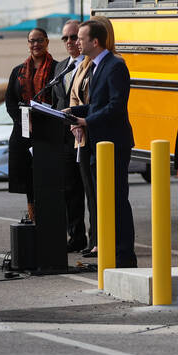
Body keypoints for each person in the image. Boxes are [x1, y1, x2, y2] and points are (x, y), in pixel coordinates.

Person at [69, 18, 136, 268]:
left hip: (114, 144)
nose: (77, 42)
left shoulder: (115, 65)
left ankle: (125, 256)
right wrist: (74, 111)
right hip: (99, 144)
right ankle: (111, 253)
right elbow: (98, 104)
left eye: (81, 39)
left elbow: (116, 106)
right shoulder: (96, 65)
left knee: (117, 199)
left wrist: (86, 121)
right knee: (103, 201)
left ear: (95, 42)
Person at [5, 27, 57, 221]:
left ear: (47, 42)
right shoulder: (17, 71)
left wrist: (44, 122)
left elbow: (59, 100)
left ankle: (50, 220)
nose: (36, 44)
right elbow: (10, 102)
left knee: (48, 179)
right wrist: (23, 121)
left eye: (40, 40)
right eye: (32, 41)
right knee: (28, 180)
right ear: (28, 44)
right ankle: (33, 216)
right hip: (24, 132)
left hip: (48, 133)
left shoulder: (57, 69)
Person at [52, 20, 88, 253]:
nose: (69, 42)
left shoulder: (90, 64)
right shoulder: (61, 67)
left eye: (74, 37)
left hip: (85, 133)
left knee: (90, 188)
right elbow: (57, 102)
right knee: (70, 190)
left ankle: (96, 239)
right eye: (65, 38)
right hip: (65, 138)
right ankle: (76, 237)